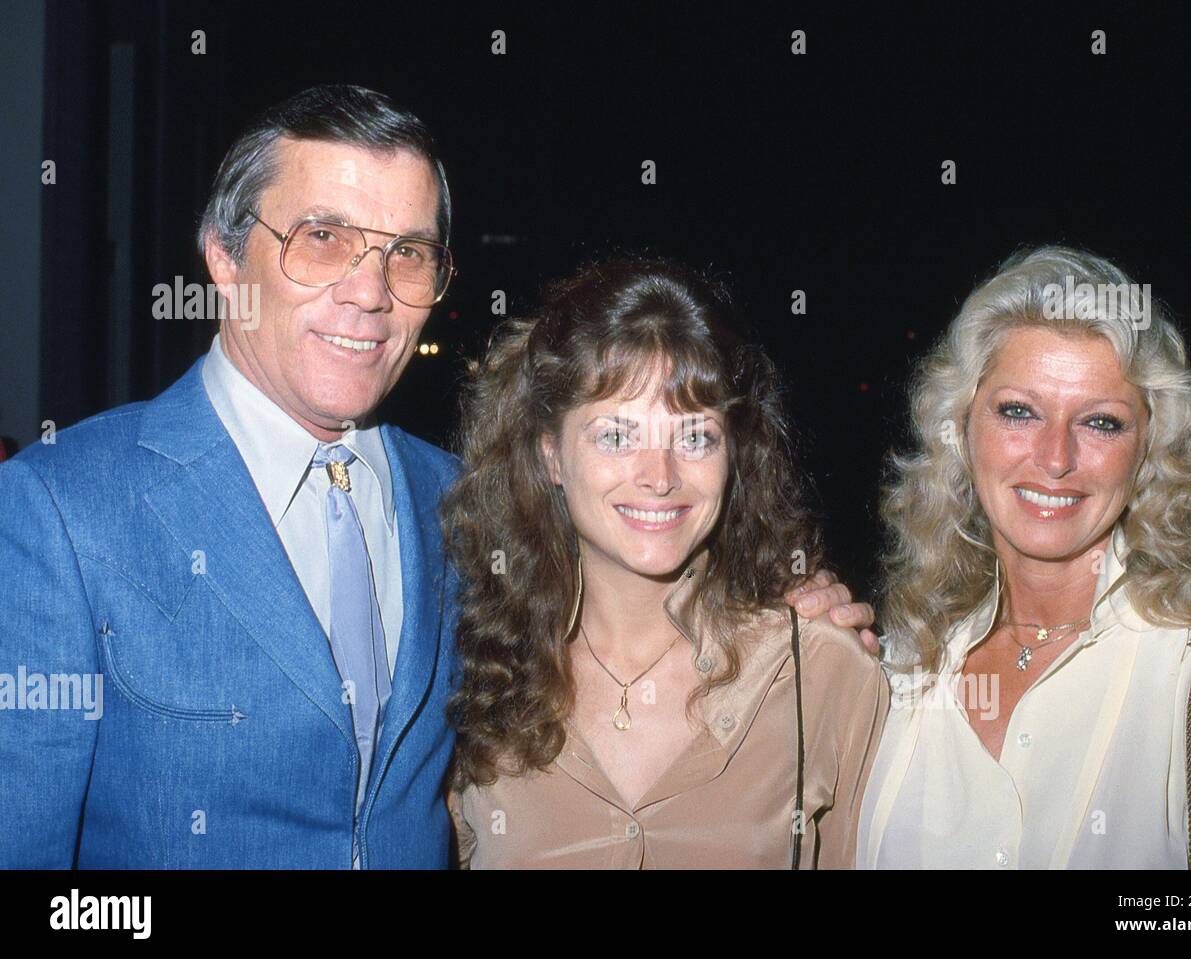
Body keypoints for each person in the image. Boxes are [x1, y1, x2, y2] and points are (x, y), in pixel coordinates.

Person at [0, 85, 872, 868]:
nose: (370, 290)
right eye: (325, 237)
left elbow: (643, 538)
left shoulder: (462, 506)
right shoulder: (63, 510)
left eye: (408, 253)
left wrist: (797, 617)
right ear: (226, 259)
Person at [856, 245, 1191, 869]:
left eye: (1100, 423)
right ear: (961, 427)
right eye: (1019, 412)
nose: (1055, 457)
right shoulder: (896, 673)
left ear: (1152, 450)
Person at [442, 258, 889, 868]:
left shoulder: (821, 672)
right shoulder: (474, 675)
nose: (659, 477)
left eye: (695, 436)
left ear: (735, 454)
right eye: (616, 436)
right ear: (550, 456)